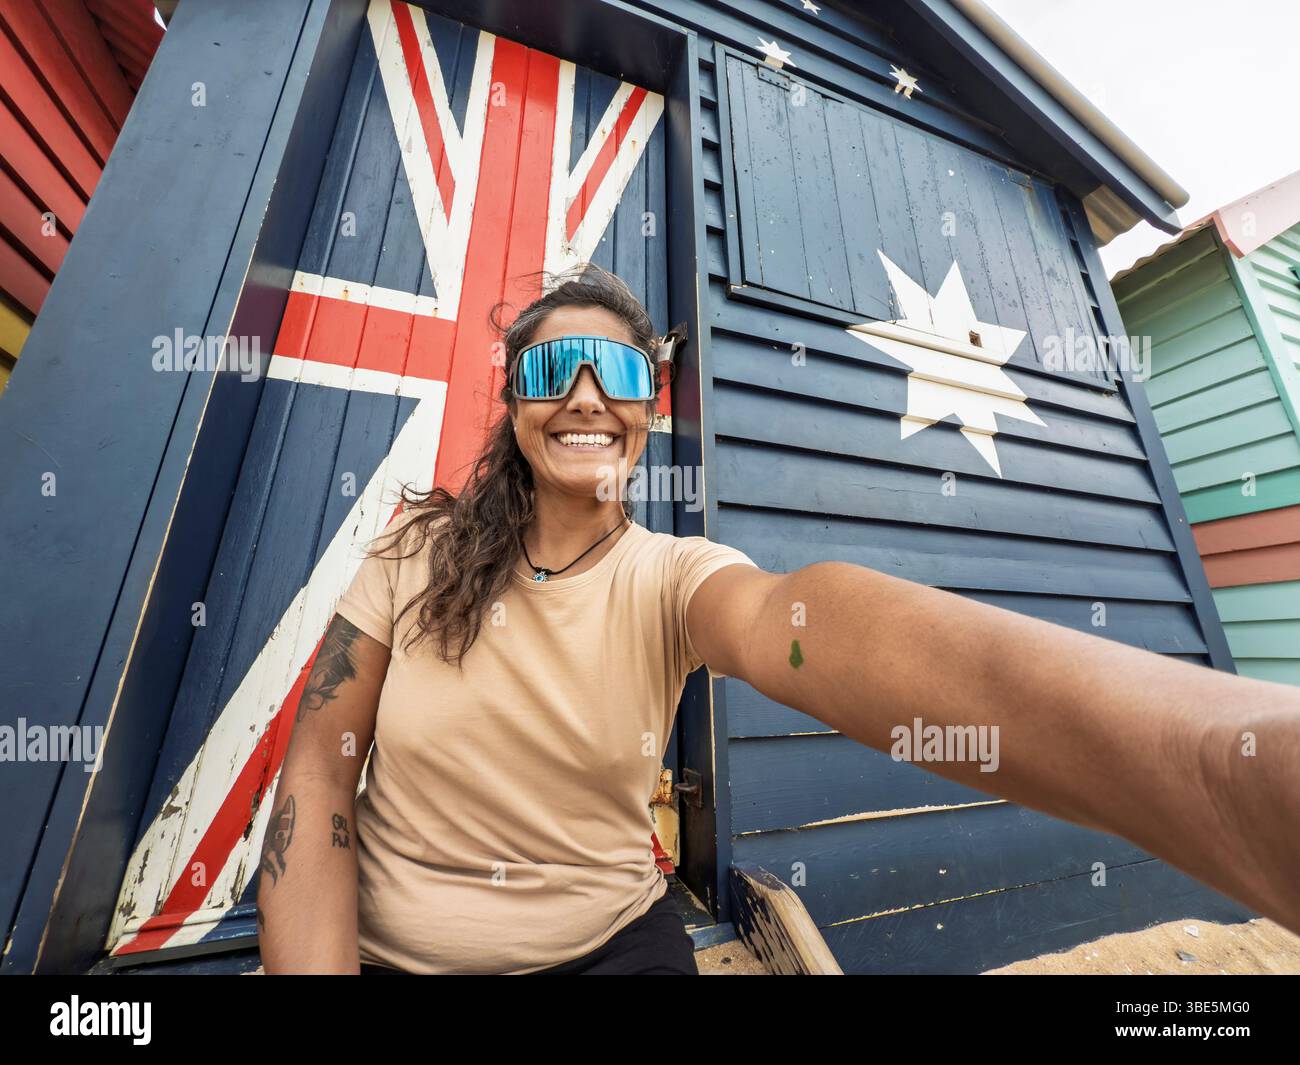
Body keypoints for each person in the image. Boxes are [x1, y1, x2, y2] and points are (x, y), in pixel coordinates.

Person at [256, 263, 1300, 975]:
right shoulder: (417, 548)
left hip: (609, 947)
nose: (582, 395)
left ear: (648, 407)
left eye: (615, 371)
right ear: (514, 401)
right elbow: (316, 770)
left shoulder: (672, 579)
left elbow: (801, 626)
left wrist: (1219, 763)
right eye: (548, 371)